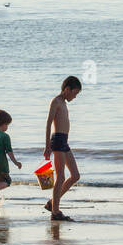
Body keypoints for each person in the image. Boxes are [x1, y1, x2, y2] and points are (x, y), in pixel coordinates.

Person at [43, 76, 82, 221]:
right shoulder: (56, 101)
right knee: (60, 177)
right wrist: (47, 146)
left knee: (75, 175)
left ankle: (52, 203)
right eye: (75, 93)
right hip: (57, 140)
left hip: (64, 141)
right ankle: (55, 212)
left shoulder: (64, 103)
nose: (75, 96)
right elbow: (48, 123)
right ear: (67, 89)